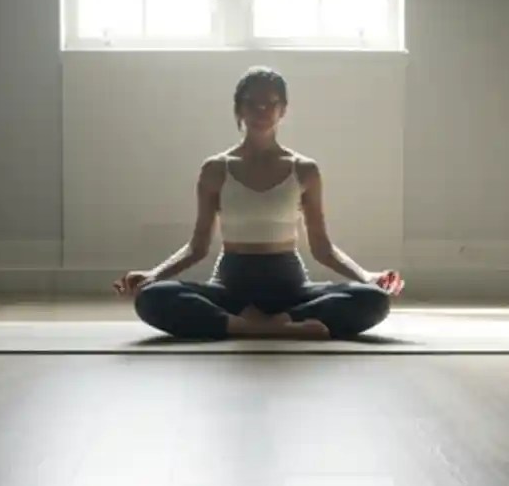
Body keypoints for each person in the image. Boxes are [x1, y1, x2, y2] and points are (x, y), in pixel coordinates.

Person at [112, 66, 405, 340]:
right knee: (153, 297)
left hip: (290, 287)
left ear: (283, 110)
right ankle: (278, 328)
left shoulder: (304, 169)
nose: (261, 110)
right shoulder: (215, 169)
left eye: (271, 103)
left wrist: (367, 276)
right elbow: (196, 248)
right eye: (252, 103)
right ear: (239, 108)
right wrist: (153, 275)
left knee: (374, 300)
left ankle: (246, 325)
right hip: (231, 286)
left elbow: (323, 248)